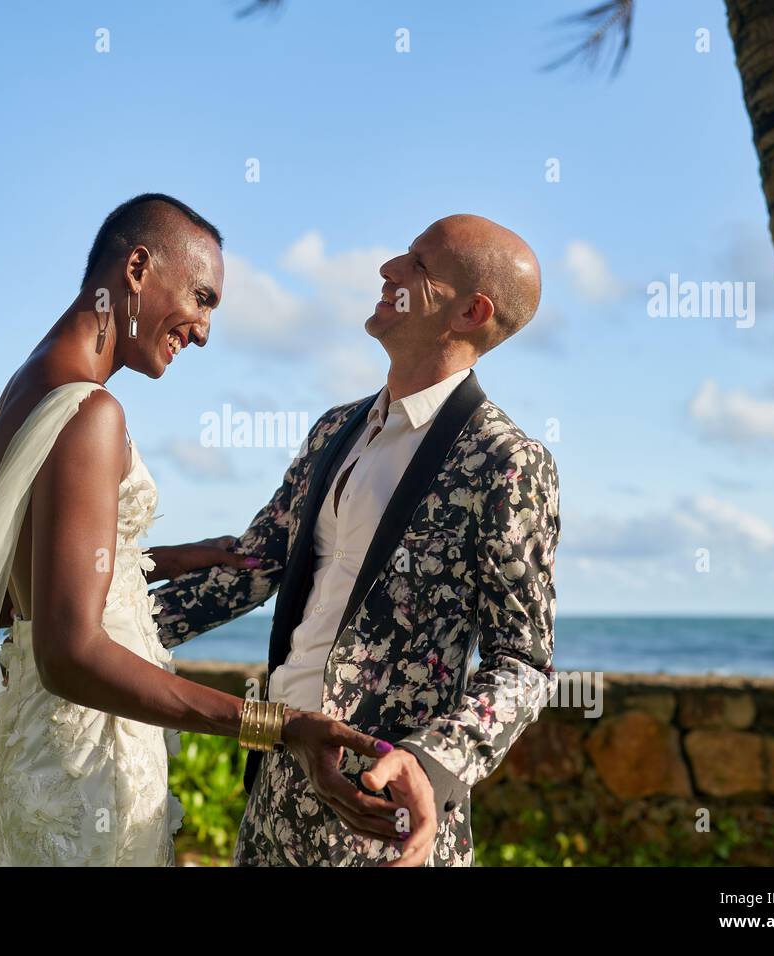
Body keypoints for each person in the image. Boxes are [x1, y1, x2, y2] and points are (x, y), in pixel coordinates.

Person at [0, 194, 390, 866]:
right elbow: (70, 651)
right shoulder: (90, 412)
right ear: (137, 267)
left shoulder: (30, 387)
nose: (203, 329)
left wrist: (161, 559)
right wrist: (274, 726)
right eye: (202, 297)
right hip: (88, 762)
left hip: (46, 754)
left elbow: (22, 591)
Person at [152, 214, 562, 866]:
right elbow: (252, 569)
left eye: (419, 264)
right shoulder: (333, 429)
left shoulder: (507, 461)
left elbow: (523, 664)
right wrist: (102, 617)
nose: (388, 269)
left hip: (386, 807)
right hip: (277, 781)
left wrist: (427, 765)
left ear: (470, 311)